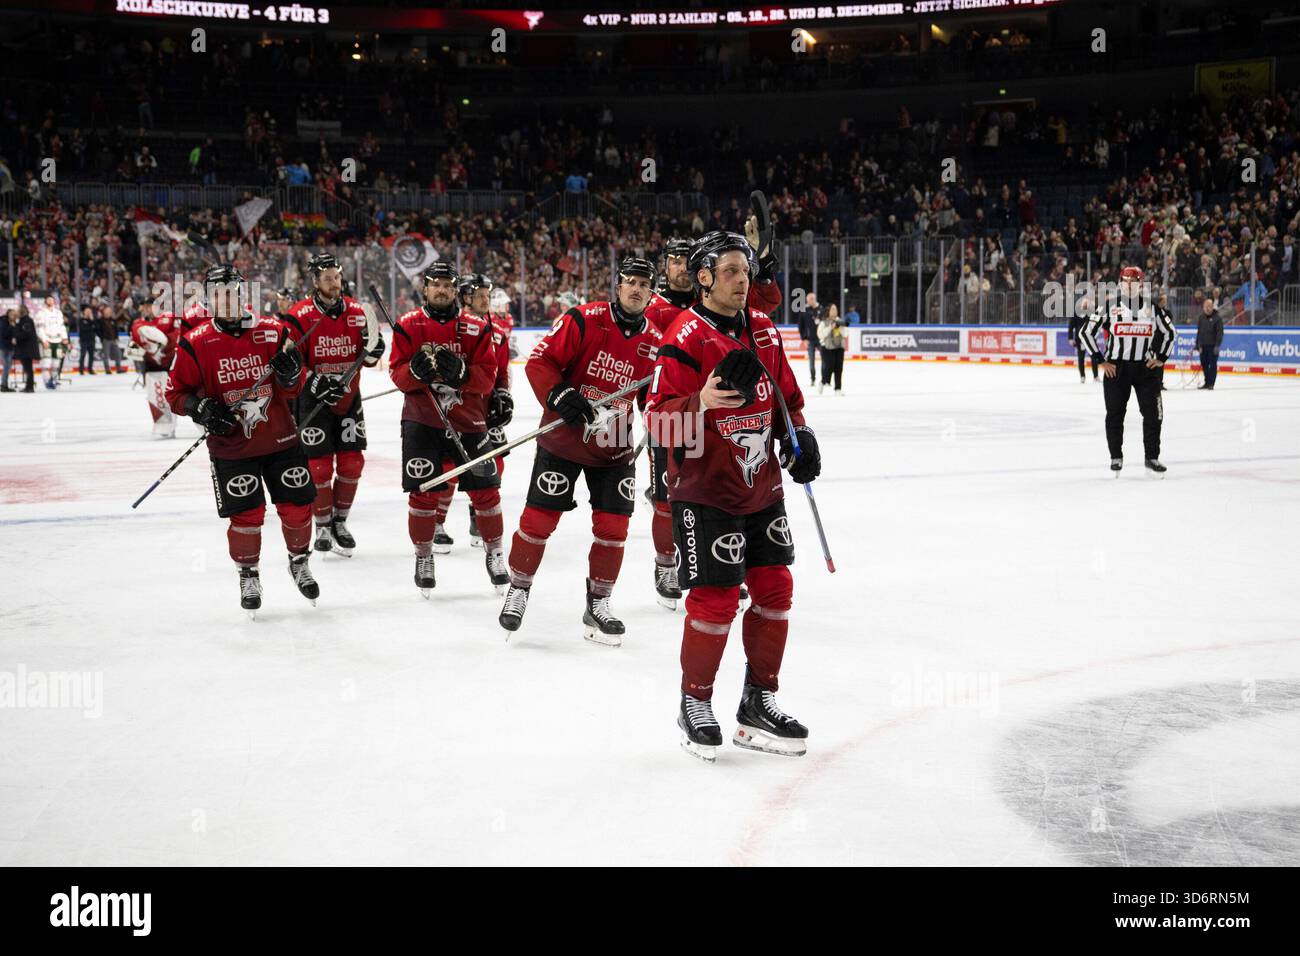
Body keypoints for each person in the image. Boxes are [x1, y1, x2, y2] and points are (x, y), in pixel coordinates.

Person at [646, 231, 822, 762]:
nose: (743, 279)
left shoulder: (765, 331)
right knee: (716, 601)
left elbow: (787, 400)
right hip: (705, 493)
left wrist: (800, 440)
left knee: (776, 589)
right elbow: (658, 423)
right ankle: (694, 702)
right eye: (729, 271)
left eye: (744, 270)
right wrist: (699, 401)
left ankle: (757, 701)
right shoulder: (684, 337)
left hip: (762, 487)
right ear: (702, 278)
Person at [496, 257, 662, 646]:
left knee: (613, 529)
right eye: (630, 282)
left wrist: (665, 432)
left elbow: (654, 398)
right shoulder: (584, 319)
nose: (637, 289)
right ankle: (518, 588)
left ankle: (599, 603)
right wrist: (559, 392)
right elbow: (540, 361)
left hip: (614, 447)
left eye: (644, 284)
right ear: (617, 286)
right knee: (538, 522)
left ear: (651, 293)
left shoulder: (656, 342)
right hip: (564, 440)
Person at [165, 265, 319, 616]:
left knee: (297, 509)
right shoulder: (195, 342)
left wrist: (291, 372)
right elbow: (175, 394)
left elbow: (294, 387)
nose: (226, 299)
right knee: (248, 515)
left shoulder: (273, 331)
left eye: (232, 292)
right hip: (232, 447)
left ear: (241, 295)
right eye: (217, 294)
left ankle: (299, 561)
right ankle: (248, 573)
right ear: (209, 300)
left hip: (281, 440)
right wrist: (200, 407)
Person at [390, 262, 505, 597]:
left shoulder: (475, 326)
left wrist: (462, 375)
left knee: (486, 492)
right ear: (425, 288)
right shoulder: (408, 325)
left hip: (469, 422)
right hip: (422, 422)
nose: (441, 290)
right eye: (435, 284)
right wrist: (414, 371)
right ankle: (423, 556)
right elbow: (398, 375)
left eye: (447, 285)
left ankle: (495, 553)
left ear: (456, 290)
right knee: (423, 493)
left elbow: (488, 376)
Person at [282, 253, 384, 557]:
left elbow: (367, 357)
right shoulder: (298, 316)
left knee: (353, 463)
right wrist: (314, 382)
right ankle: (322, 524)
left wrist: (375, 350)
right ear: (315, 281)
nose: (334, 282)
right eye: (327, 278)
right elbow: (288, 363)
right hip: (313, 401)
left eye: (336, 277)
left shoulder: (356, 311)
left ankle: (340, 521)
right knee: (319, 467)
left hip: (348, 400)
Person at [430, 273, 510, 552]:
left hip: (486, 410)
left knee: (494, 465)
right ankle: (437, 522)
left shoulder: (497, 332)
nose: (486, 300)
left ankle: (478, 517)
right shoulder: (454, 329)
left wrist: (503, 395)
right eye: (480, 295)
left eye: (488, 295)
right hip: (457, 408)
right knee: (450, 469)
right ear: (464, 297)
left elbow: (501, 371)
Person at [1078, 266, 1175, 477]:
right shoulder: (1108, 307)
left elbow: (1170, 333)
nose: (1128, 284)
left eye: (1132, 281)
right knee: (1115, 414)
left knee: (1153, 414)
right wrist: (1101, 360)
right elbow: (1085, 332)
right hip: (1117, 369)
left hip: (1145, 369)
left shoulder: (1153, 308)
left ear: (1141, 284)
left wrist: (1161, 358)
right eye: (1124, 280)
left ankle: (1152, 457)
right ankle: (1116, 457)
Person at [130, 304, 185, 438]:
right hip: (150, 367)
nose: (148, 309)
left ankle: (172, 422)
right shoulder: (138, 323)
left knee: (170, 397)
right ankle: (163, 425)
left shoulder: (169, 318)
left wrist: (164, 346)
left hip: (170, 366)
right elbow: (134, 344)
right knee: (155, 396)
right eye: (145, 307)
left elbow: (177, 336)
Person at [34, 296, 69, 390]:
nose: (50, 301)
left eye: (52, 300)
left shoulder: (58, 313)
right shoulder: (40, 313)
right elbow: (39, 328)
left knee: (56, 364)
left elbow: (62, 327)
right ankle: (47, 381)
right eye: (48, 299)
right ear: (45, 301)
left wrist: (64, 338)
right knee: (46, 363)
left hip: (57, 341)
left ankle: (53, 380)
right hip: (47, 341)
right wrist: (44, 340)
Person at [1194, 296, 1223, 390]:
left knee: (1212, 365)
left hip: (1213, 346)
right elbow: (1199, 332)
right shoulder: (1201, 317)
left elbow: (1220, 333)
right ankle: (1206, 382)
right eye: (1206, 306)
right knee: (1204, 364)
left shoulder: (1217, 318)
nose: (1207, 308)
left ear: (1212, 307)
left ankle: (1211, 383)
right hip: (1203, 346)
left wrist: (1217, 345)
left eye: (1209, 306)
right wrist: (1197, 345)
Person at [817, 303, 846, 395]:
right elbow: (820, 335)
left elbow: (846, 334)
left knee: (839, 368)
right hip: (827, 347)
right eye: (832, 309)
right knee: (829, 367)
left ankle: (838, 389)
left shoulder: (841, 321)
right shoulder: (823, 322)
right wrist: (830, 327)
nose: (834, 311)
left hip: (839, 347)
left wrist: (840, 326)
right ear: (828, 311)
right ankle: (822, 382)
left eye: (836, 309)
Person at [1067, 310, 1100, 383]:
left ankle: (1096, 376)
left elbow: (1096, 325)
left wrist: (1095, 335)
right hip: (1079, 339)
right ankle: (1082, 376)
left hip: (1090, 339)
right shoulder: (1076, 313)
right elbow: (1071, 326)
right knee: (1081, 358)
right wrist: (1070, 338)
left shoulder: (1092, 313)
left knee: (1094, 357)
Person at [12, 307, 39, 392]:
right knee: (27, 368)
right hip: (25, 348)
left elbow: (26, 333)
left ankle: (30, 387)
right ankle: (28, 386)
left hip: (27, 349)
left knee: (28, 369)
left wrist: (16, 337)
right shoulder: (23, 320)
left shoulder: (26, 321)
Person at [798, 292, 821, 386]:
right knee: (811, 362)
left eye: (812, 298)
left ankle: (825, 379)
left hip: (821, 340)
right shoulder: (804, 311)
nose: (810, 300)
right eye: (809, 299)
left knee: (826, 360)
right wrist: (804, 339)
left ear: (815, 299)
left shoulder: (821, 309)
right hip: (810, 340)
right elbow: (801, 327)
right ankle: (813, 379)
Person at [98, 305, 122, 374]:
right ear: (104, 312)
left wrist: (117, 337)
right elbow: (98, 330)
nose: (109, 312)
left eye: (110, 311)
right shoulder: (101, 320)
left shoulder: (113, 320)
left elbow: (116, 329)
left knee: (118, 353)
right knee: (106, 355)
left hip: (113, 339)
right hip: (106, 340)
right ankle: (107, 369)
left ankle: (118, 368)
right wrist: (102, 338)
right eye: (107, 311)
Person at [76, 305, 99, 375]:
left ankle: (90, 369)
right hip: (84, 340)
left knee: (91, 355)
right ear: (84, 312)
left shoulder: (92, 320)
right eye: (87, 311)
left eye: (90, 311)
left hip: (92, 340)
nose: (88, 312)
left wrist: (92, 321)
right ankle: (81, 369)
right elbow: (84, 329)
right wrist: (91, 327)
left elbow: (97, 328)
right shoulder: (81, 320)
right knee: (83, 355)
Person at [0, 308, 14, 392]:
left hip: (10, 347)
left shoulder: (11, 322)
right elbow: (4, 333)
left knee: (7, 366)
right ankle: (4, 385)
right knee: (6, 366)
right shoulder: (3, 322)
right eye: (12, 315)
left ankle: (4, 384)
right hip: (4, 347)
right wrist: (11, 326)